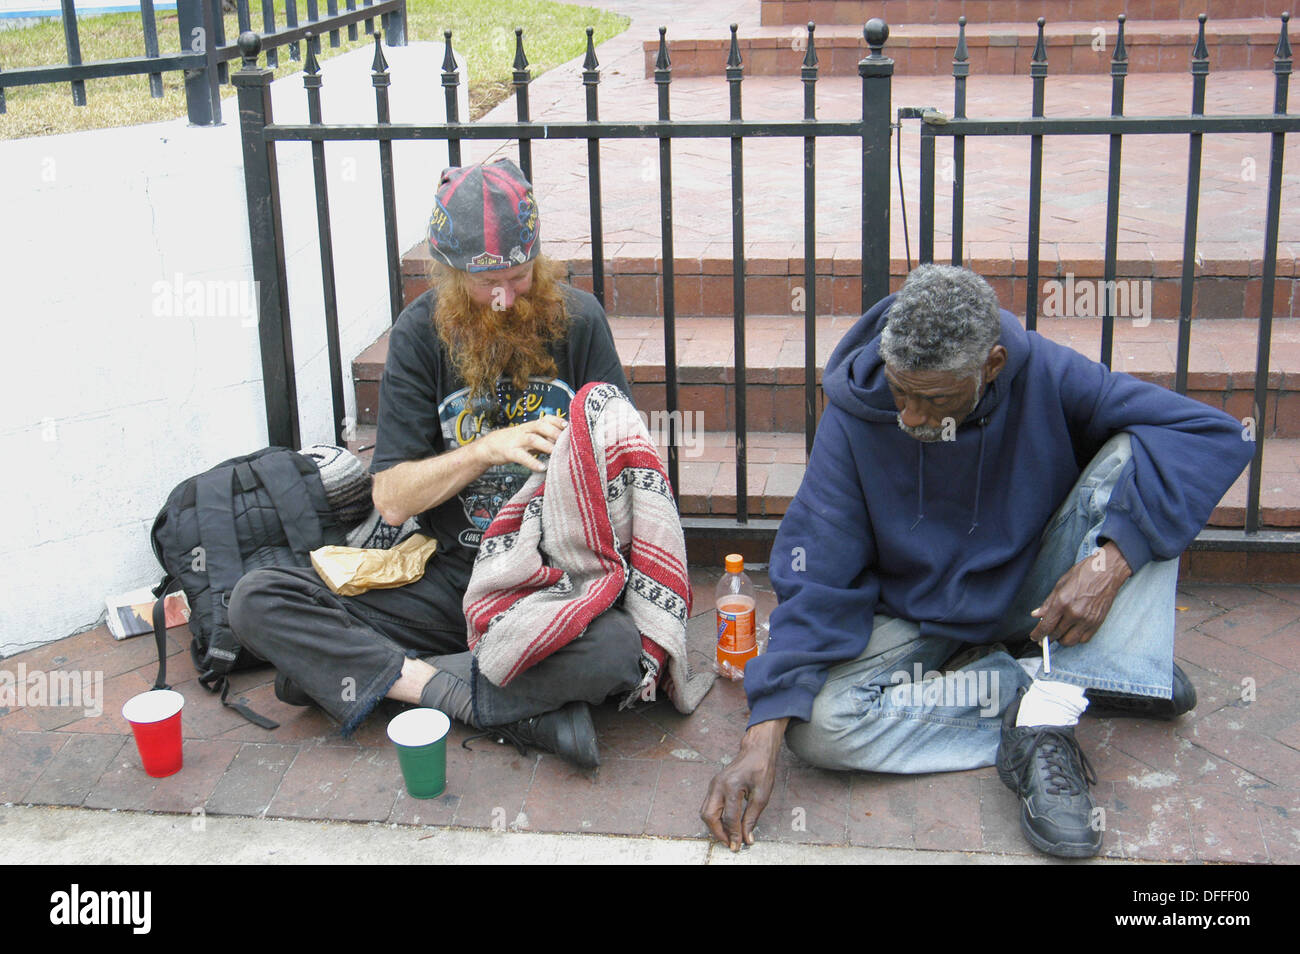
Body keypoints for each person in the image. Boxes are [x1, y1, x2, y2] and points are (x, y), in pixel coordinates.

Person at [700, 264, 1254, 858]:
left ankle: (1048, 722)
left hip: (1037, 590)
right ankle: (1076, 678)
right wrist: (762, 735)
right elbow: (819, 570)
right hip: (916, 611)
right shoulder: (856, 414)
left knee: (1138, 455)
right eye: (900, 390)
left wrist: (1113, 561)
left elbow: (1211, 436)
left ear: (991, 366)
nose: (909, 415)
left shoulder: (1045, 371)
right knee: (821, 729)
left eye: (931, 399)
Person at [229, 158, 644, 769]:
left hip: (549, 580)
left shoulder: (579, 320)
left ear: (540, 261)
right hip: (451, 579)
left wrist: (581, 460)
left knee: (618, 649)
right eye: (484, 283)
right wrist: (483, 450)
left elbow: (627, 467)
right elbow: (392, 498)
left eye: (519, 276)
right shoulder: (421, 333)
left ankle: (370, 679)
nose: (504, 298)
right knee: (256, 600)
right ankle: (482, 700)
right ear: (448, 274)